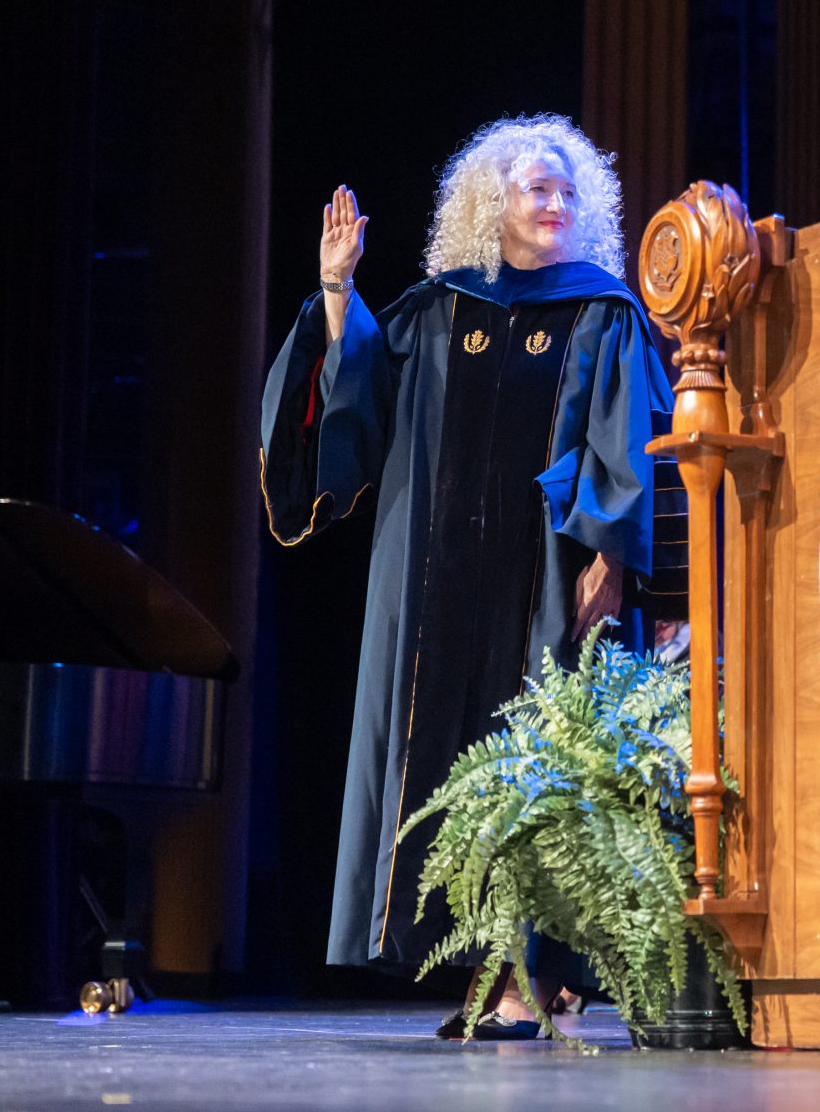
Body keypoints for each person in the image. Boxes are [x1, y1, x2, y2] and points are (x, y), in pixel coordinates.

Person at [259, 114, 684, 1038]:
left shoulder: (602, 312)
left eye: (569, 193)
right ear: (494, 203)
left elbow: (634, 444)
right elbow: (358, 408)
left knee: (536, 762)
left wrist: (611, 555)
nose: (556, 204)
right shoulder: (437, 310)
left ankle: (519, 976)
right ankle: (488, 971)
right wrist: (337, 293)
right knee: (445, 765)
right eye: (538, 189)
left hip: (546, 586)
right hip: (433, 592)